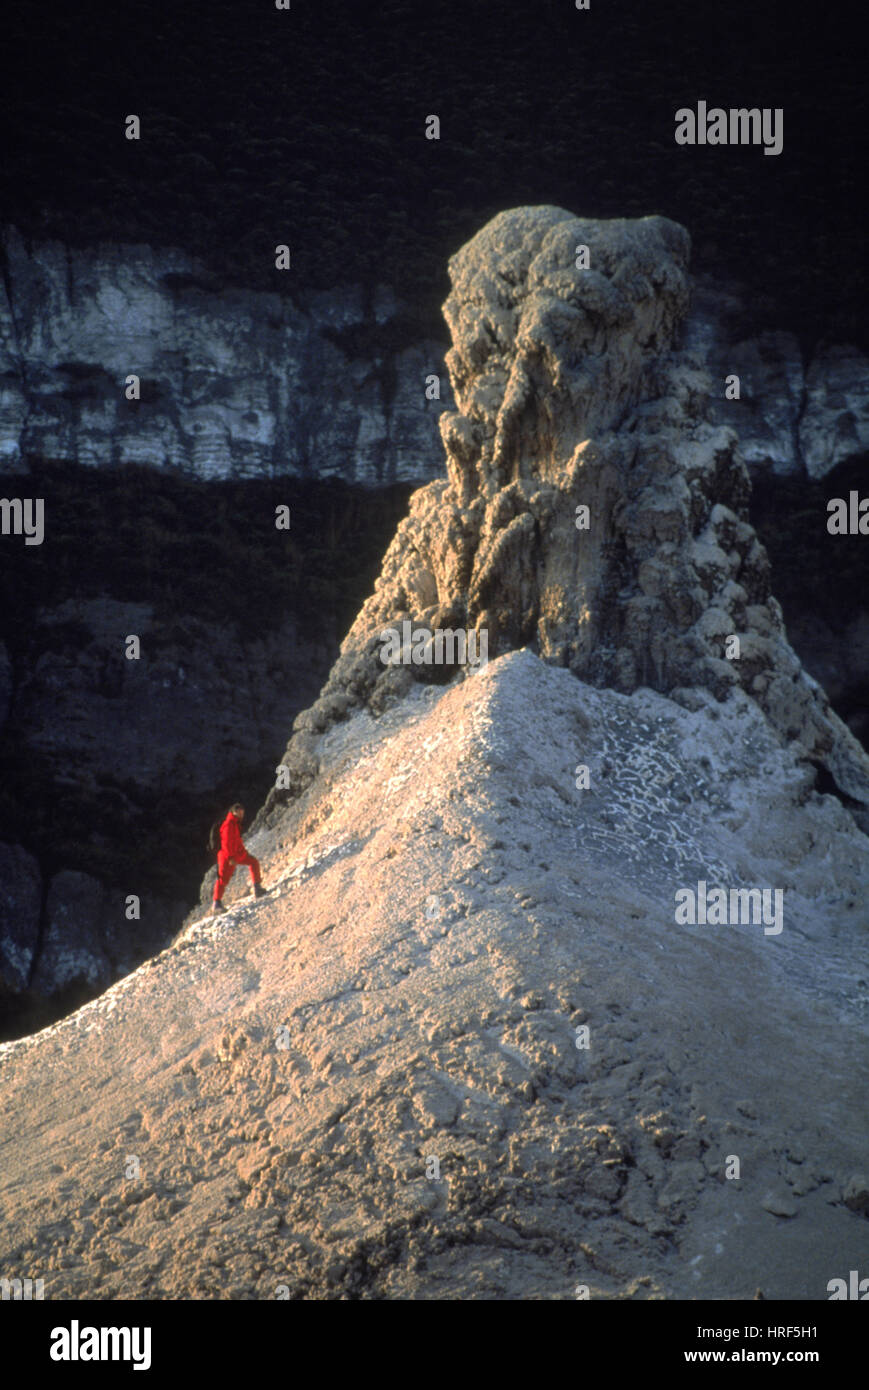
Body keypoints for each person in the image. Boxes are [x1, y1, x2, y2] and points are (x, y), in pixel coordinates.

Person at [212, 803, 265, 912]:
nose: (241, 814)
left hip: (237, 855)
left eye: (242, 812)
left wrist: (243, 852)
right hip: (228, 857)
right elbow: (226, 843)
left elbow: (236, 841)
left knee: (253, 862)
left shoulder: (235, 823)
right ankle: (216, 904)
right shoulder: (229, 825)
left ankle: (257, 888)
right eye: (239, 812)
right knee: (223, 879)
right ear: (233, 812)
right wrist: (231, 857)